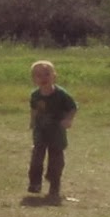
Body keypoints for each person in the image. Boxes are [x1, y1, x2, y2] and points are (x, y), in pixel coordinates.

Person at [27, 60, 76, 199]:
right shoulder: (35, 95)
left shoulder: (61, 94)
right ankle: (35, 183)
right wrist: (32, 121)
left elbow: (73, 107)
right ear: (34, 79)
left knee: (56, 160)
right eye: (38, 75)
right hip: (40, 131)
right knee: (36, 157)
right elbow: (34, 109)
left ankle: (54, 184)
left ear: (54, 76)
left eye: (47, 74)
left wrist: (68, 119)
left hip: (56, 132)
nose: (43, 78)